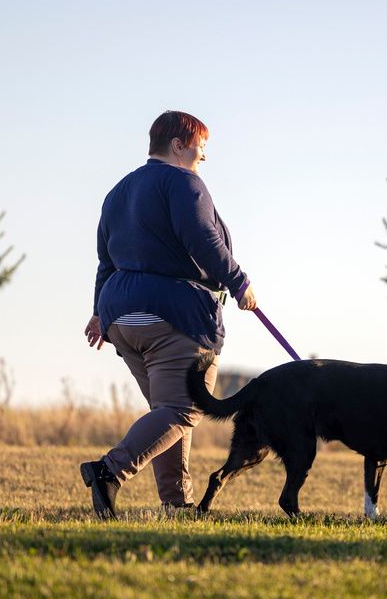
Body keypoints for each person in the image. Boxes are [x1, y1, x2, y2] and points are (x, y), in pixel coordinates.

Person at [80, 110, 257, 519]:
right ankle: (108, 471)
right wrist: (239, 282)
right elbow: (203, 239)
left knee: (167, 412)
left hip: (121, 318)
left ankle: (177, 504)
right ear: (179, 144)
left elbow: (105, 261)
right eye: (201, 147)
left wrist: (97, 313)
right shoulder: (184, 183)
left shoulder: (118, 192)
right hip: (174, 314)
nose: (204, 157)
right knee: (186, 409)